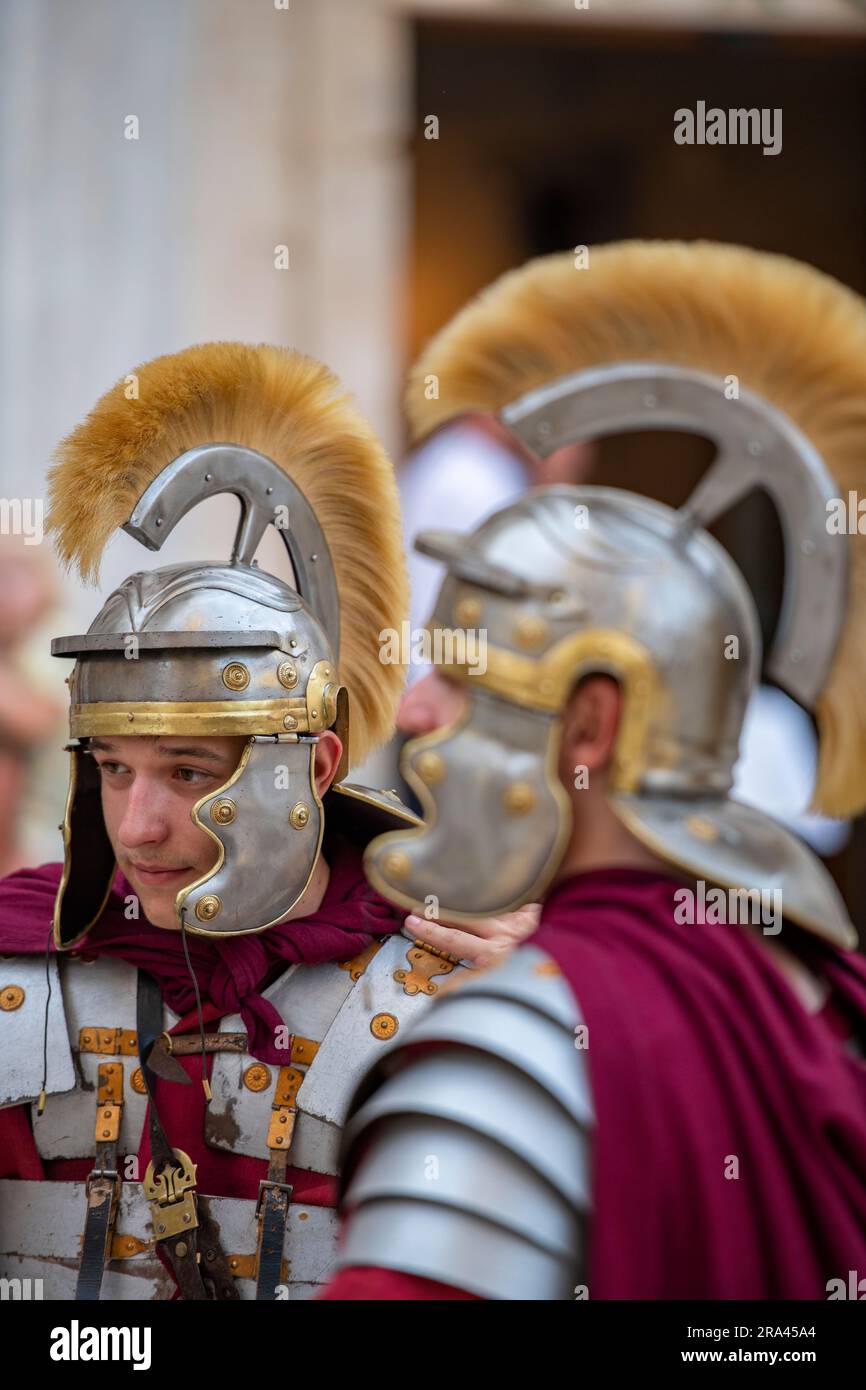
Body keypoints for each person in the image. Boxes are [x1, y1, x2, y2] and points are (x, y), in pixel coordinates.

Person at [321, 242, 866, 1300]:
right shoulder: (808, 986)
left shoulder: (516, 1047)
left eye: (464, 677)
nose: (417, 708)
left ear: (588, 727)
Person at [0, 342, 527, 1301]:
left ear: (315, 769)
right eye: (114, 772)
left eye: (190, 771)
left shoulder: (454, 988)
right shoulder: (20, 965)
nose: (140, 828)